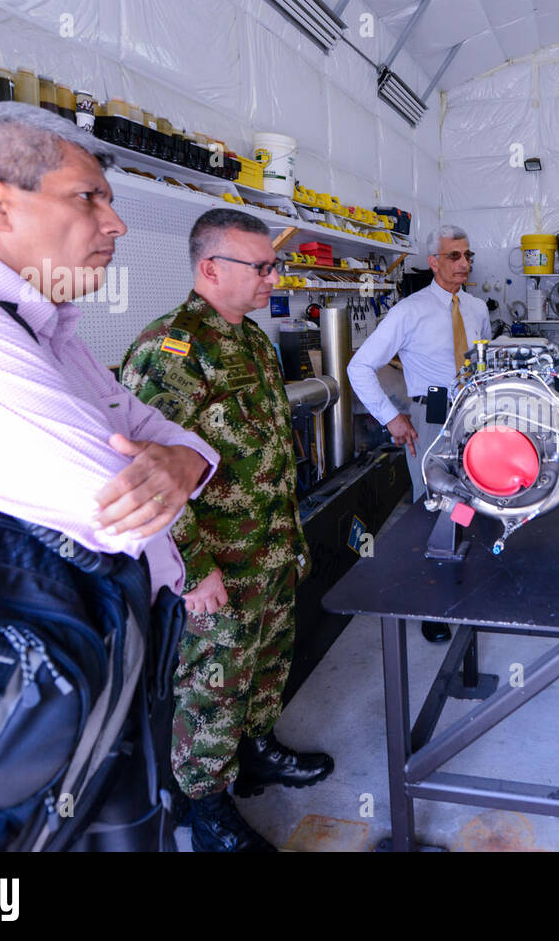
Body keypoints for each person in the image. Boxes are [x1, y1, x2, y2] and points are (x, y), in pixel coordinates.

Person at [0, 101, 217, 603]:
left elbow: (157, 434)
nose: (115, 224)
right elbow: (117, 510)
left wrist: (185, 463)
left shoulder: (49, 330)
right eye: (88, 197)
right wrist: (178, 470)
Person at [121, 209, 334, 852]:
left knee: (266, 669)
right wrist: (192, 567)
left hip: (268, 549)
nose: (275, 276)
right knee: (213, 688)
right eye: (262, 266)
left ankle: (258, 751)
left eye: (274, 265)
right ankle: (206, 808)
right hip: (217, 565)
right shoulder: (171, 350)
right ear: (211, 268)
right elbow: (144, 470)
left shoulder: (251, 340)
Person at [346, 224, 489, 643]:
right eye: (454, 256)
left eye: (467, 256)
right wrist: (391, 417)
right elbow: (359, 367)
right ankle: (433, 604)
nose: (463, 264)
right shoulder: (407, 312)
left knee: (471, 502)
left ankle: (465, 584)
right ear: (433, 262)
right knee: (434, 506)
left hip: (473, 415)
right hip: (432, 418)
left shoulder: (477, 308)